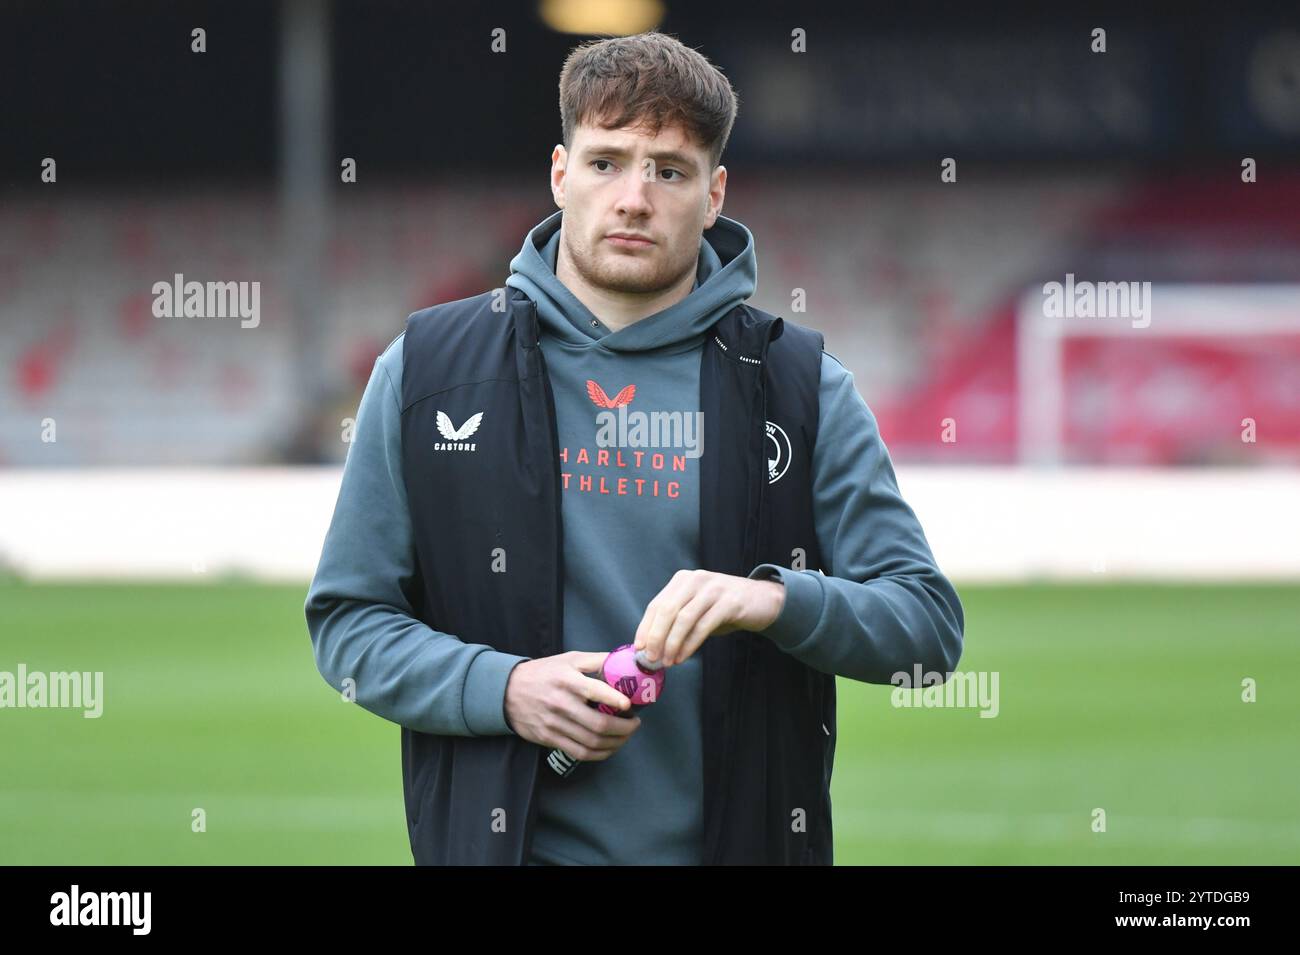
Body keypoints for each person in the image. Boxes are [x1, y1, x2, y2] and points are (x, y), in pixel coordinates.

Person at [305, 30, 964, 866]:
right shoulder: (429, 370)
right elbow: (350, 622)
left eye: (670, 170)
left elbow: (927, 630)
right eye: (606, 161)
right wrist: (503, 689)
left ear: (715, 193)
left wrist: (771, 600)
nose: (633, 197)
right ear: (559, 173)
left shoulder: (800, 386)